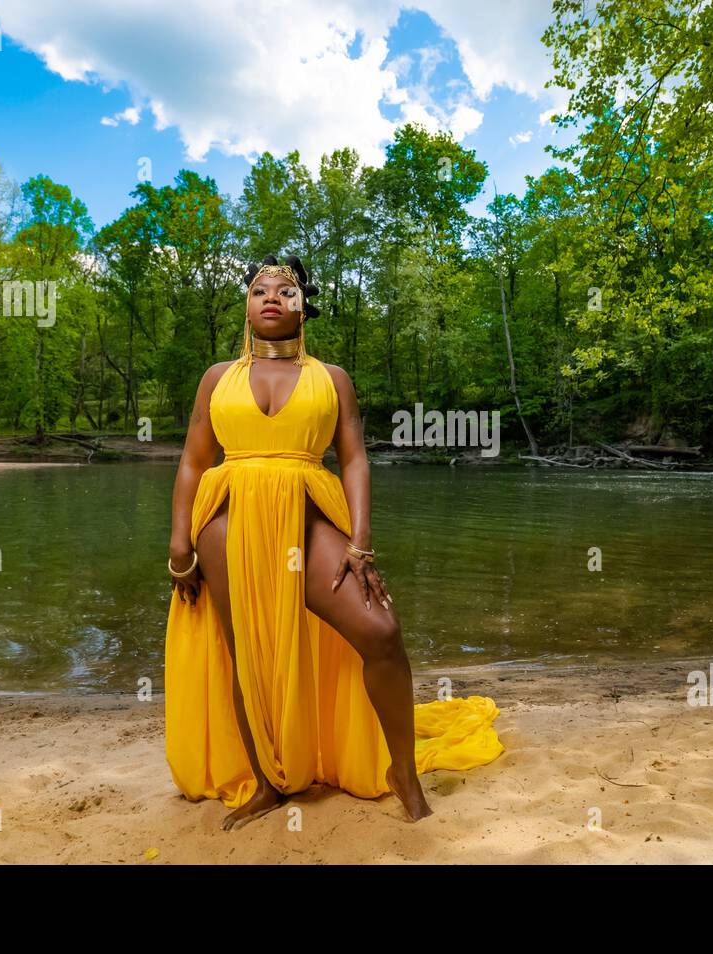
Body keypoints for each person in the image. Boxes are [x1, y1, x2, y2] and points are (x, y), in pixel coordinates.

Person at [163, 254, 502, 829]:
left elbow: (354, 461)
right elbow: (193, 463)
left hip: (309, 512)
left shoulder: (331, 378)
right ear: (246, 308)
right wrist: (179, 544)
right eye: (259, 290)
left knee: (381, 631)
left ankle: (402, 771)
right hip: (226, 522)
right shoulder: (218, 378)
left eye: (286, 291)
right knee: (247, 652)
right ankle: (270, 781)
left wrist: (361, 541)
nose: (272, 297)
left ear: (303, 308)